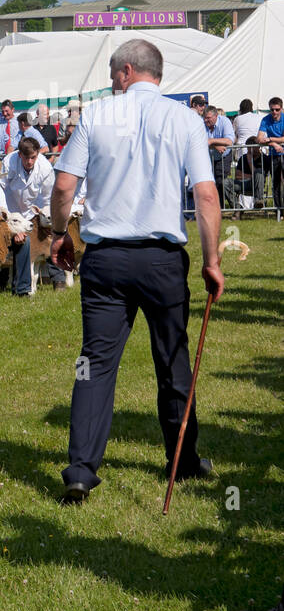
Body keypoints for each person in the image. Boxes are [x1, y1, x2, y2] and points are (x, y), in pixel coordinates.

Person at [50, 39, 224, 504]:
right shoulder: (186, 118)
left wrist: (60, 232)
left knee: (93, 365)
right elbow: (206, 197)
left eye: (112, 74)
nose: (111, 82)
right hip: (163, 260)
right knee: (172, 360)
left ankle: (81, 470)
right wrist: (211, 262)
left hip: (105, 259)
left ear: (127, 71)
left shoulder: (94, 116)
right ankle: (183, 459)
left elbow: (65, 184)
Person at [1, 137, 65, 295]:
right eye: (26, 157)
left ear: (37, 154)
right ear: (19, 155)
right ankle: (1, 282)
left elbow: (48, 197)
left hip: (34, 210)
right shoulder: (9, 162)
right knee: (4, 241)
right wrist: (6, 214)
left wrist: (44, 216)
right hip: (12, 209)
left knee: (47, 237)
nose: (30, 161)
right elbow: (1, 189)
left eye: (33, 157)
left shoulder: (45, 168)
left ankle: (58, 277)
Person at [256, 97, 284, 208]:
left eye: (277, 109)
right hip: (274, 155)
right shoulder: (265, 120)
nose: (274, 112)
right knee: (276, 183)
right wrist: (273, 144)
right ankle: (279, 211)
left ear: (281, 108)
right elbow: (259, 139)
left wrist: (270, 139)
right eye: (272, 109)